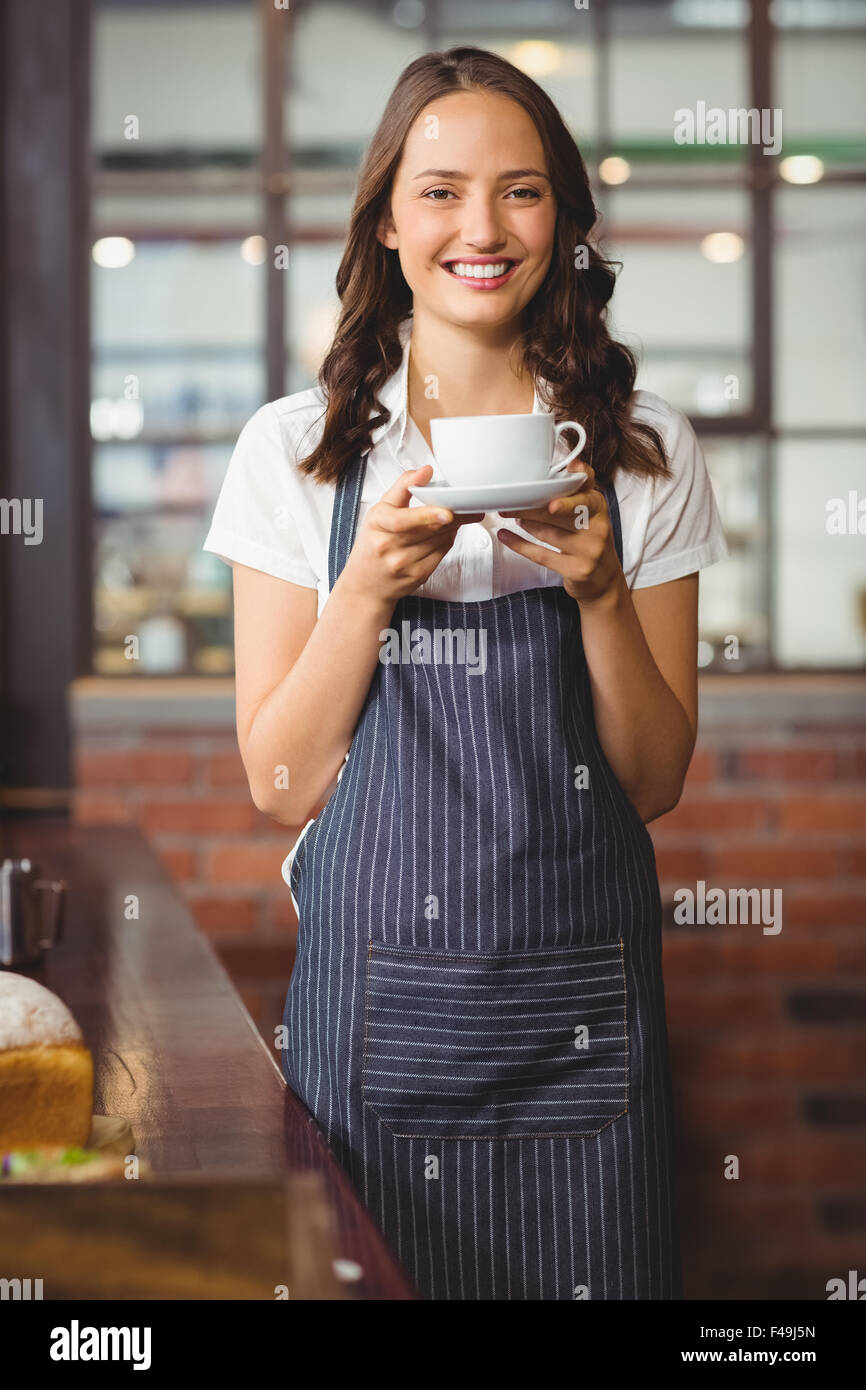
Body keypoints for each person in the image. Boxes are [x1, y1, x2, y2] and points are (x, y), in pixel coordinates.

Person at [203, 46, 728, 1301]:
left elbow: (650, 780)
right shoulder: (298, 452)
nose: (480, 228)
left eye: (521, 190)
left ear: (563, 218)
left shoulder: (645, 450)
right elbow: (280, 782)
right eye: (438, 191)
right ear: (386, 220)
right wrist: (370, 589)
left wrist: (598, 591)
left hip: (581, 1029)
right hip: (372, 1026)